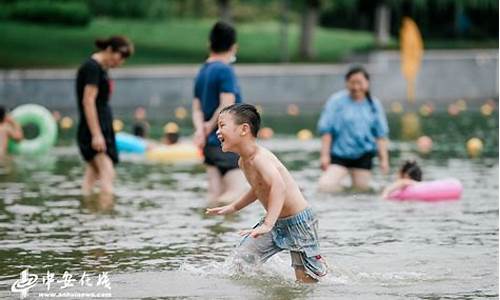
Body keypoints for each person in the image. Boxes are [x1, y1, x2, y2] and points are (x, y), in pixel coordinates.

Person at [206, 104, 328, 283]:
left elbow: (279, 187)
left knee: (305, 281)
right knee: (242, 260)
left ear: (244, 129)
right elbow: (258, 189)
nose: (217, 132)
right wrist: (234, 207)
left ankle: (318, 267)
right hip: (275, 221)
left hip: (299, 222)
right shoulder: (243, 162)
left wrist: (268, 224)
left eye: (222, 125)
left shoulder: (260, 158)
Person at [192, 21, 247, 205]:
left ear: (210, 44)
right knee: (237, 194)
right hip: (227, 141)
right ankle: (223, 232)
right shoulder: (225, 70)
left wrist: (202, 130)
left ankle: (211, 232)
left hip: (210, 144)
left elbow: (197, 108)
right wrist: (210, 127)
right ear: (234, 47)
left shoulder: (203, 70)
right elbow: (227, 105)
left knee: (214, 195)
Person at [76, 36, 134, 196]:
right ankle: (107, 217)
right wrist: (96, 135)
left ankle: (87, 213)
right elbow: (88, 101)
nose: (120, 62)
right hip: (94, 130)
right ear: (109, 50)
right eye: (120, 56)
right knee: (107, 174)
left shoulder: (100, 69)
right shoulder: (92, 68)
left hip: (102, 128)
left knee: (92, 176)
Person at [317, 66, 390, 193]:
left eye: (360, 83)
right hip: (339, 156)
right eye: (352, 83)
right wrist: (324, 156)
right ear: (347, 83)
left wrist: (384, 160)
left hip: (363, 156)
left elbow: (380, 135)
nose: (356, 87)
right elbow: (327, 131)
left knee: (362, 191)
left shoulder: (374, 105)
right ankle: (342, 194)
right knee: (325, 185)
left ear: (367, 83)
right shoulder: (336, 102)